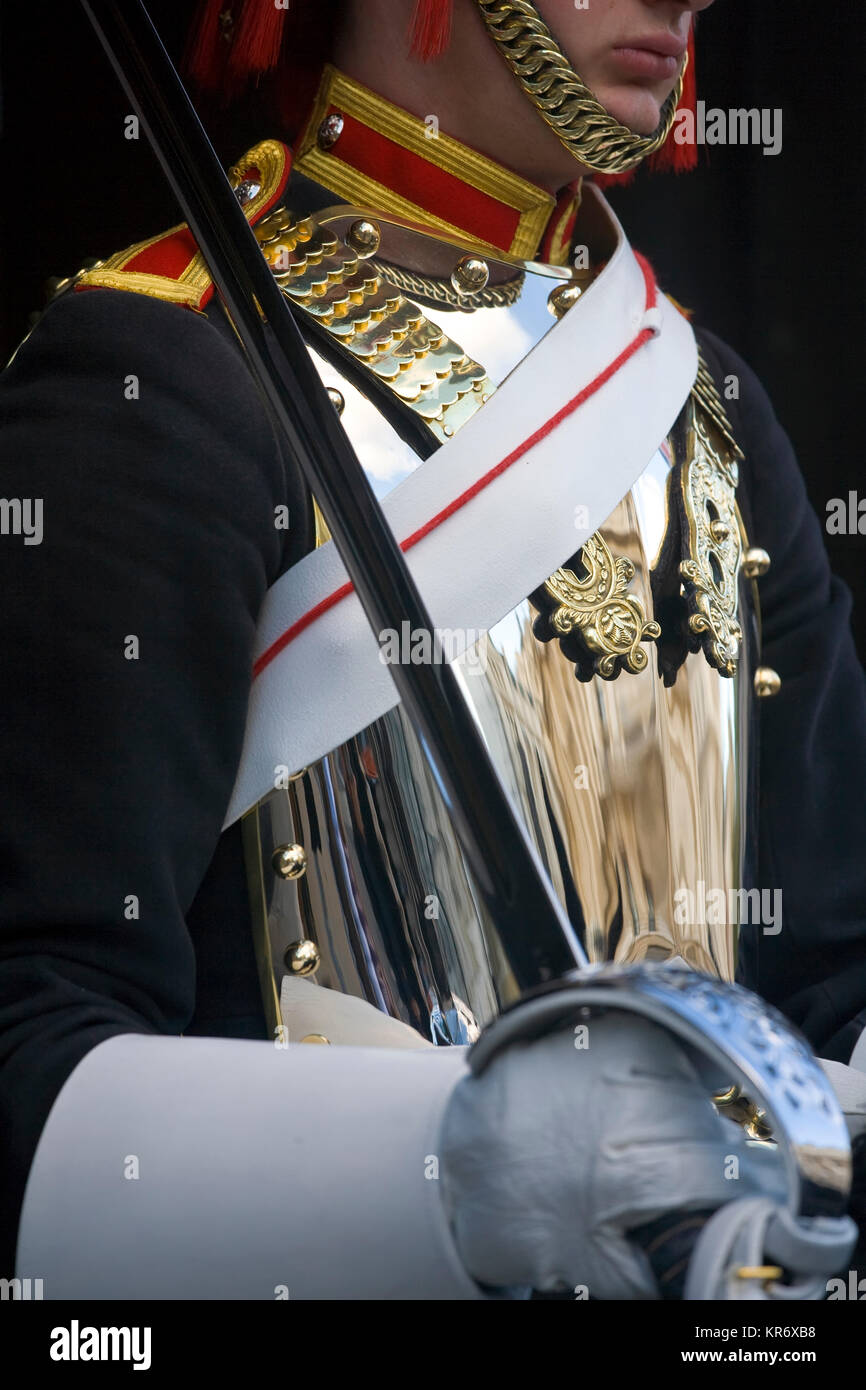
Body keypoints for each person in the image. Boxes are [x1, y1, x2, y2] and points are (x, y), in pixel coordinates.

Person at [1, 0, 864, 1300]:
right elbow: (34, 1014)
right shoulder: (165, 363)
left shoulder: (706, 401)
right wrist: (442, 1172)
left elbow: (830, 961)